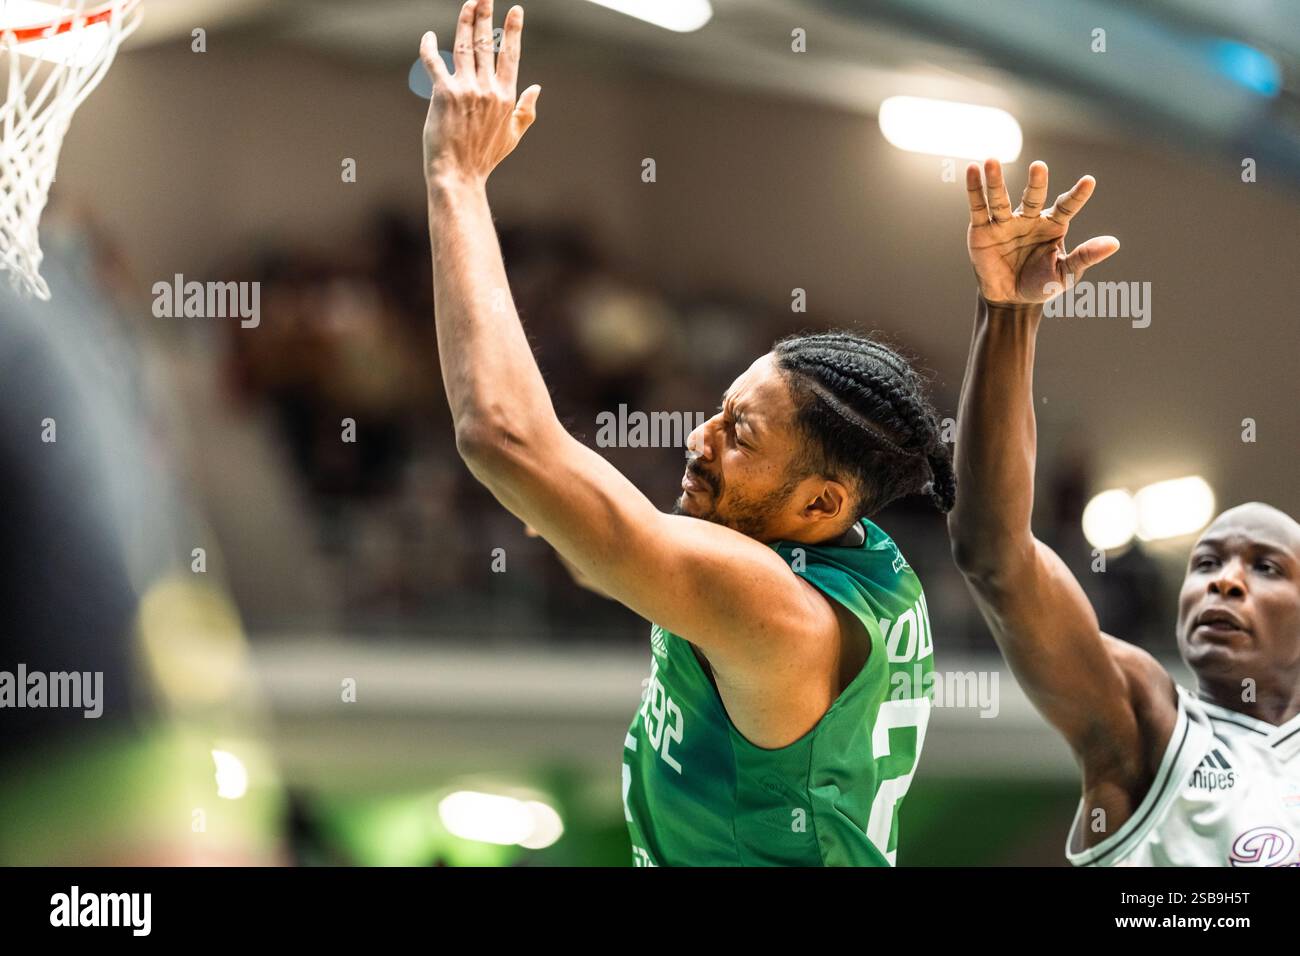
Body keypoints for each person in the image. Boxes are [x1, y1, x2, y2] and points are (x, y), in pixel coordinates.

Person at [420, 0, 952, 865]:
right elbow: (628, 556)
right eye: (721, 408)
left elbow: (498, 434)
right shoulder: (854, 565)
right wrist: (570, 518)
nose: (699, 438)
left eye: (739, 434)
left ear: (821, 501)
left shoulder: (777, 608)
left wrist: (456, 178)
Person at [950, 157, 1300, 866]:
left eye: (1266, 568)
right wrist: (1010, 316)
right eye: (1206, 563)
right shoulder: (1146, 722)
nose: (1223, 582)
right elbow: (995, 556)